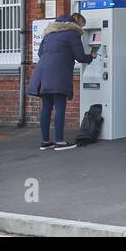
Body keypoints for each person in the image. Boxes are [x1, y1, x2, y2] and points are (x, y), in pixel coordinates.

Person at [29, 12, 95, 150]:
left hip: (42, 73)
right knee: (60, 107)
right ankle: (59, 141)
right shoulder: (72, 34)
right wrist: (92, 56)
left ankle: (45, 141)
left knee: (46, 107)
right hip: (58, 74)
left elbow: (41, 53)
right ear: (77, 25)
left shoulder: (49, 34)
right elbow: (80, 56)